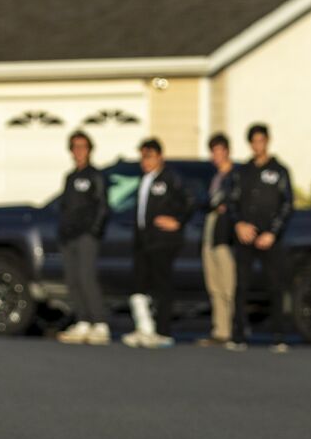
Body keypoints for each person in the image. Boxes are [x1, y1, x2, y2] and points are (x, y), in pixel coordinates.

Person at [121, 138, 194, 348]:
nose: (145, 161)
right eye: (143, 157)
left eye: (150, 156)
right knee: (139, 285)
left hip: (163, 242)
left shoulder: (170, 178)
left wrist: (178, 220)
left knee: (162, 285)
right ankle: (144, 327)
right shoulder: (144, 180)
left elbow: (189, 200)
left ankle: (163, 332)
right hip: (144, 241)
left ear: (160, 157)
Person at [227, 123, 293, 352]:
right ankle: (239, 335)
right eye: (254, 142)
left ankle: (278, 335)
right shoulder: (242, 171)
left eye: (261, 141)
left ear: (267, 141)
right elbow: (232, 202)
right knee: (241, 286)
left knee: (275, 285)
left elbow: (287, 204)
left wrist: (273, 232)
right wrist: (239, 224)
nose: (258, 146)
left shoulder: (279, 171)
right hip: (245, 235)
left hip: (269, 237)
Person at [56, 130, 111, 345]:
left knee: (87, 277)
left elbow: (102, 206)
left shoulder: (95, 176)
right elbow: (65, 207)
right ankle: (83, 320)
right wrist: (63, 231)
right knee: (73, 279)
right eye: (75, 147)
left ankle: (100, 323)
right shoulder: (70, 177)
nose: (79, 151)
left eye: (83, 147)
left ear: (89, 150)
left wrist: (93, 230)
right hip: (69, 237)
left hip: (86, 235)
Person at [197, 133, 237, 346]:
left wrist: (227, 207)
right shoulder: (215, 178)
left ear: (227, 151)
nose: (215, 156)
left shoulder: (235, 176)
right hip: (211, 232)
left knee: (228, 284)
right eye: (213, 152)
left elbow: (238, 203)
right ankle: (220, 329)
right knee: (214, 285)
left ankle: (234, 329)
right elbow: (206, 202)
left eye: (218, 151)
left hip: (225, 234)